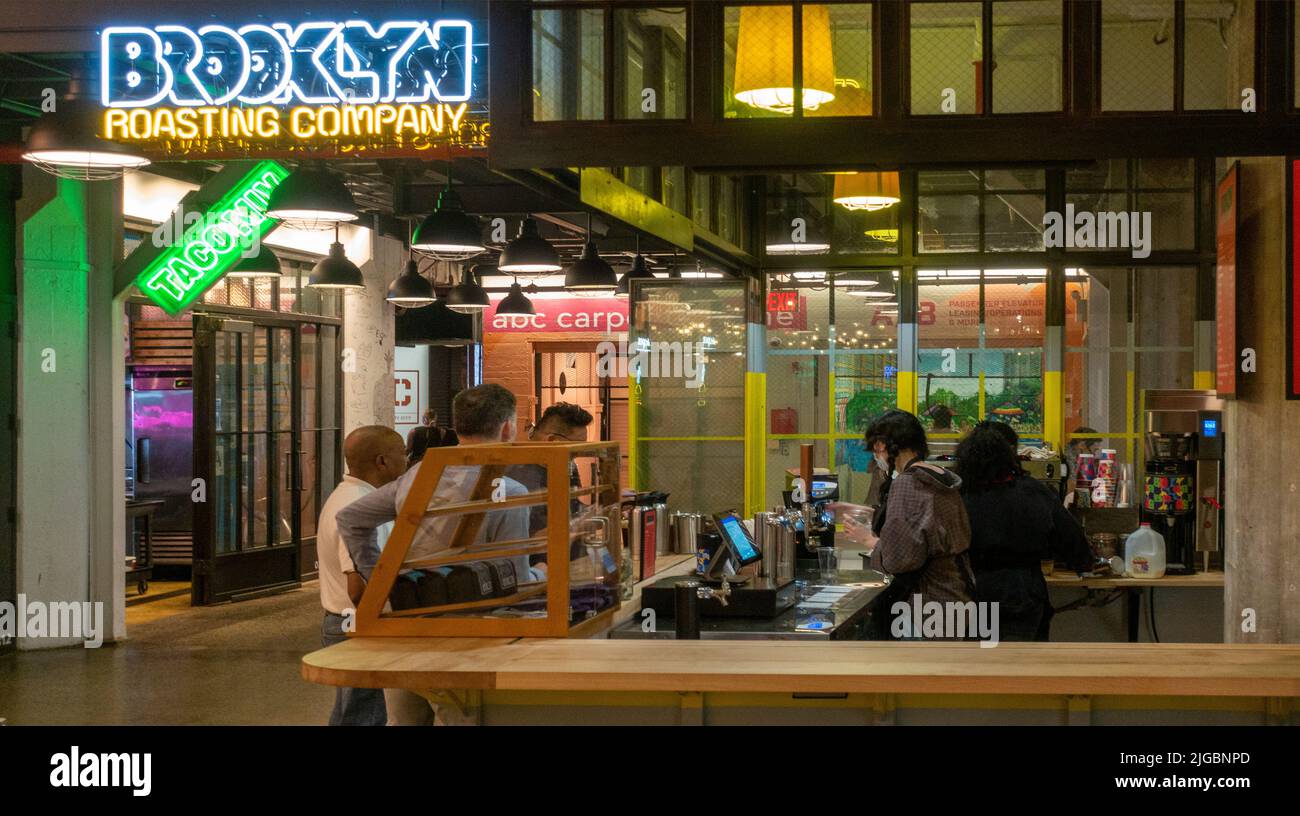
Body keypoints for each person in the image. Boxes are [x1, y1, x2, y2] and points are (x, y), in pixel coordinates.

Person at [334, 383, 535, 725]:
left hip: (406, 622)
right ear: (506, 427)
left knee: (403, 720)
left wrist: (382, 577)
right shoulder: (509, 491)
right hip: (467, 632)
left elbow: (350, 518)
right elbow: (514, 579)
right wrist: (543, 575)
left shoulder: (418, 475)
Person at [834, 410, 975, 638]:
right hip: (957, 595)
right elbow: (924, 526)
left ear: (884, 446)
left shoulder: (907, 484)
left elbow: (899, 559)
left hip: (925, 608)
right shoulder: (939, 477)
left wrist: (869, 540)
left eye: (876, 449)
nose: (876, 456)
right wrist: (869, 515)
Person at [955, 421, 1092, 641]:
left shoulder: (959, 498)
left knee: (979, 668)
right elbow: (1072, 540)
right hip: (1025, 591)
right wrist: (1083, 564)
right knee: (1027, 668)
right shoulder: (1034, 491)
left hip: (973, 593)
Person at [316, 425, 408, 726]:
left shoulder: (345, 495)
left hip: (344, 620)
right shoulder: (358, 506)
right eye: (402, 455)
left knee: (353, 712)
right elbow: (357, 585)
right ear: (382, 462)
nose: (406, 462)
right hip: (355, 623)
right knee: (362, 716)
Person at [508, 402, 594, 537]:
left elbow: (574, 508)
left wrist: (607, 508)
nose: (578, 453)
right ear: (552, 440)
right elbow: (520, 540)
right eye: (576, 446)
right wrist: (579, 524)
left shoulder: (567, 466)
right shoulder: (514, 477)